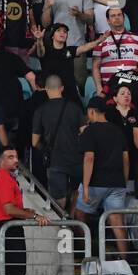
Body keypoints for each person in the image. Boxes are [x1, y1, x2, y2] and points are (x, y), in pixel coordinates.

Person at [0, 145, 51, 275]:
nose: (15, 160)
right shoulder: (5, 179)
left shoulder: (4, 178)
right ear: (1, 160)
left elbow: (7, 206)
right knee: (15, 270)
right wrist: (34, 215)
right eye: (10, 157)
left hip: (4, 227)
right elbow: (8, 208)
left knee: (9, 271)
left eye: (16, 156)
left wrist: (25, 210)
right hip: (8, 229)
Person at [75, 96, 130, 252]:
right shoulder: (118, 130)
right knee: (117, 223)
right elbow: (126, 159)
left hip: (95, 184)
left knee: (79, 215)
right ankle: (125, 262)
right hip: (117, 183)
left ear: (91, 112)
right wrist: (123, 182)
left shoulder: (90, 131)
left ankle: (87, 252)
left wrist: (85, 187)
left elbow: (89, 158)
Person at [31, 76, 85, 208]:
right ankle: (73, 222)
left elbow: (34, 141)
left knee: (58, 197)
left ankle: (61, 224)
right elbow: (84, 132)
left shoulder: (40, 110)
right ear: (62, 88)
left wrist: (45, 150)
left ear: (46, 89)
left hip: (55, 160)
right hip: (76, 158)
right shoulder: (75, 107)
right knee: (76, 192)